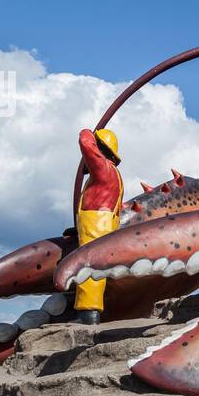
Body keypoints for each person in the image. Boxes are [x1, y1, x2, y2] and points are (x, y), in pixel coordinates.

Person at [75, 128, 123, 324]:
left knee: (88, 265)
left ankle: (89, 313)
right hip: (100, 223)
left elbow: (86, 143)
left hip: (96, 222)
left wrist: (88, 132)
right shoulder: (113, 174)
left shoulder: (103, 167)